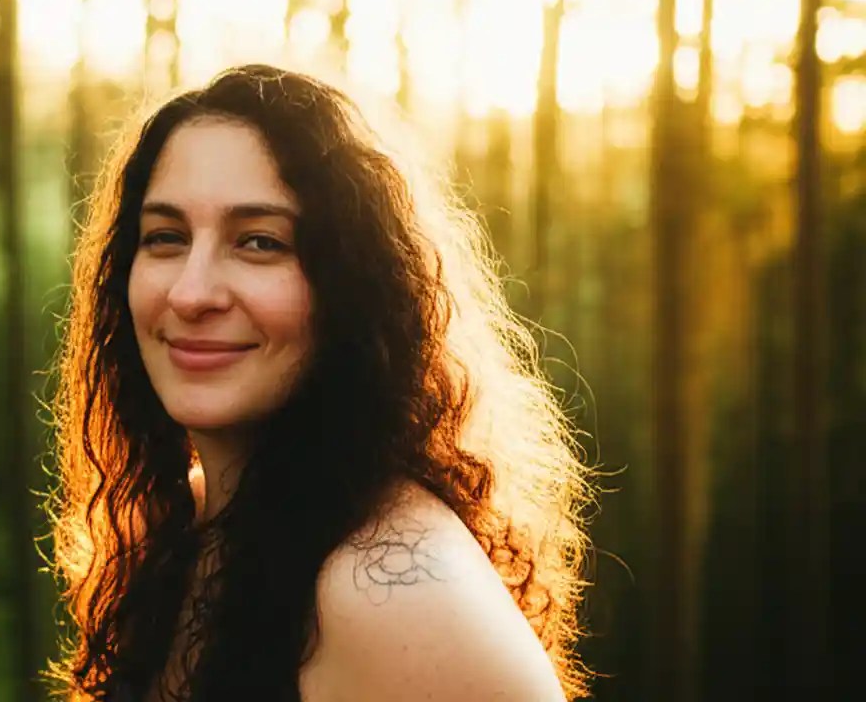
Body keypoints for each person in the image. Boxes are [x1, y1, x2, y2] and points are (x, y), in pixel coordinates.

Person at [46, 64, 593, 702]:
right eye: (165, 237)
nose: (191, 293)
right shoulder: (191, 522)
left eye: (258, 242)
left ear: (353, 287)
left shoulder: (390, 590)